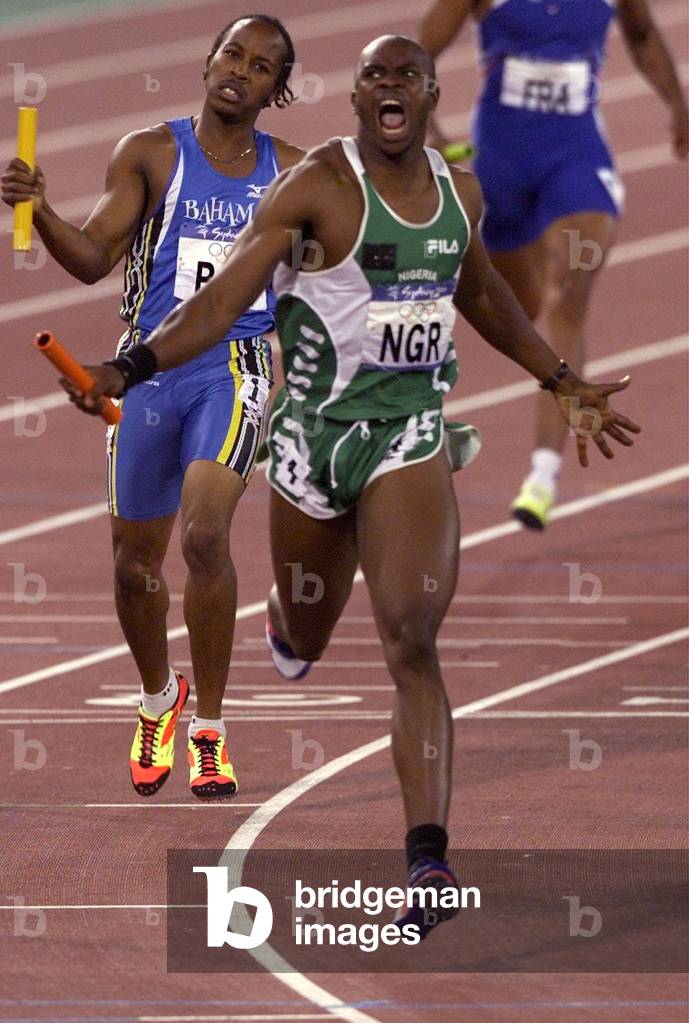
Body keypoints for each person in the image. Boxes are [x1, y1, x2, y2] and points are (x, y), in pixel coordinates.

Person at [61, 35, 639, 936]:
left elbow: (482, 294)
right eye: (375, 75)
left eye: (407, 75)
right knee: (307, 633)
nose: (390, 86)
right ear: (359, 98)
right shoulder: (314, 188)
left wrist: (560, 379)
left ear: (431, 95)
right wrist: (128, 368)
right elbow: (219, 304)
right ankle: (285, 625)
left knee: (411, 636)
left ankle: (426, 858)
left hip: (408, 435)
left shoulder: (458, 192)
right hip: (314, 442)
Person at [2, 14, 304, 800]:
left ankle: (210, 730)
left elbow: (331, 273)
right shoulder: (150, 153)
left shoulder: (292, 175)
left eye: (261, 65)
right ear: (208, 61)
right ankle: (156, 698)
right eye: (232, 53)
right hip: (144, 371)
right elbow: (93, 258)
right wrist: (41, 208)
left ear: (278, 90)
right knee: (133, 564)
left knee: (204, 535)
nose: (240, 70)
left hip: (232, 369)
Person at [418, 0, 687, 528]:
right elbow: (417, 54)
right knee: (513, 309)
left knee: (568, 292)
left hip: (577, 159)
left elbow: (642, 33)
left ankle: (543, 475)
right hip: (500, 165)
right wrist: (430, 132)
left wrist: (678, 103)